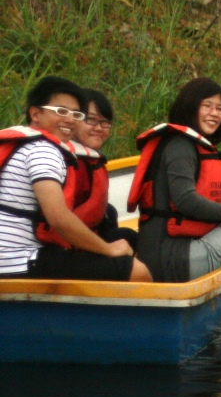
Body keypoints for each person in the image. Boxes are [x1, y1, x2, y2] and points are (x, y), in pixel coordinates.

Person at [0, 77, 151, 282]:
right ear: (35, 113)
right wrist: (107, 249)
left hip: (17, 256)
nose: (70, 119)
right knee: (136, 271)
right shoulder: (43, 151)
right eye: (61, 111)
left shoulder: (24, 145)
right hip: (18, 259)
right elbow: (58, 218)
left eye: (76, 114)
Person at [128, 78, 221, 283]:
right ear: (190, 107)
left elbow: (196, 203)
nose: (215, 113)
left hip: (177, 253)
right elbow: (185, 201)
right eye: (207, 106)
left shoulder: (190, 144)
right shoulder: (179, 146)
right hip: (172, 261)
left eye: (220, 108)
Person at [75, 88, 136, 249]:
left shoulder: (90, 160)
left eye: (105, 122)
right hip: (68, 247)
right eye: (91, 120)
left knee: (112, 215)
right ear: (73, 119)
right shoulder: (65, 163)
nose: (99, 128)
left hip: (89, 237)